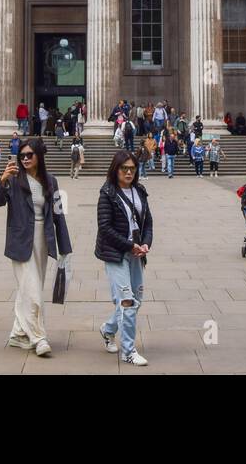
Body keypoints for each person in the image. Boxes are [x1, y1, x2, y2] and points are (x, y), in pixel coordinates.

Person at [0, 136, 72, 357]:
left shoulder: (51, 181)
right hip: (20, 240)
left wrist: (65, 247)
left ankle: (18, 334)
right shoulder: (15, 179)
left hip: (42, 239)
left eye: (29, 155)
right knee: (33, 291)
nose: (25, 158)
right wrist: (3, 180)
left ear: (39, 156)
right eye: (22, 155)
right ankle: (39, 337)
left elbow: (58, 214)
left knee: (27, 290)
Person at [95, 149, 153, 366]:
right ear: (116, 169)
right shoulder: (107, 193)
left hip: (137, 253)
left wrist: (146, 243)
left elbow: (148, 221)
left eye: (132, 168)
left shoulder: (139, 190)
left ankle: (108, 330)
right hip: (116, 254)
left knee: (136, 301)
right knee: (127, 302)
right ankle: (128, 351)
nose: (128, 172)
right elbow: (105, 228)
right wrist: (130, 245)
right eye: (124, 168)